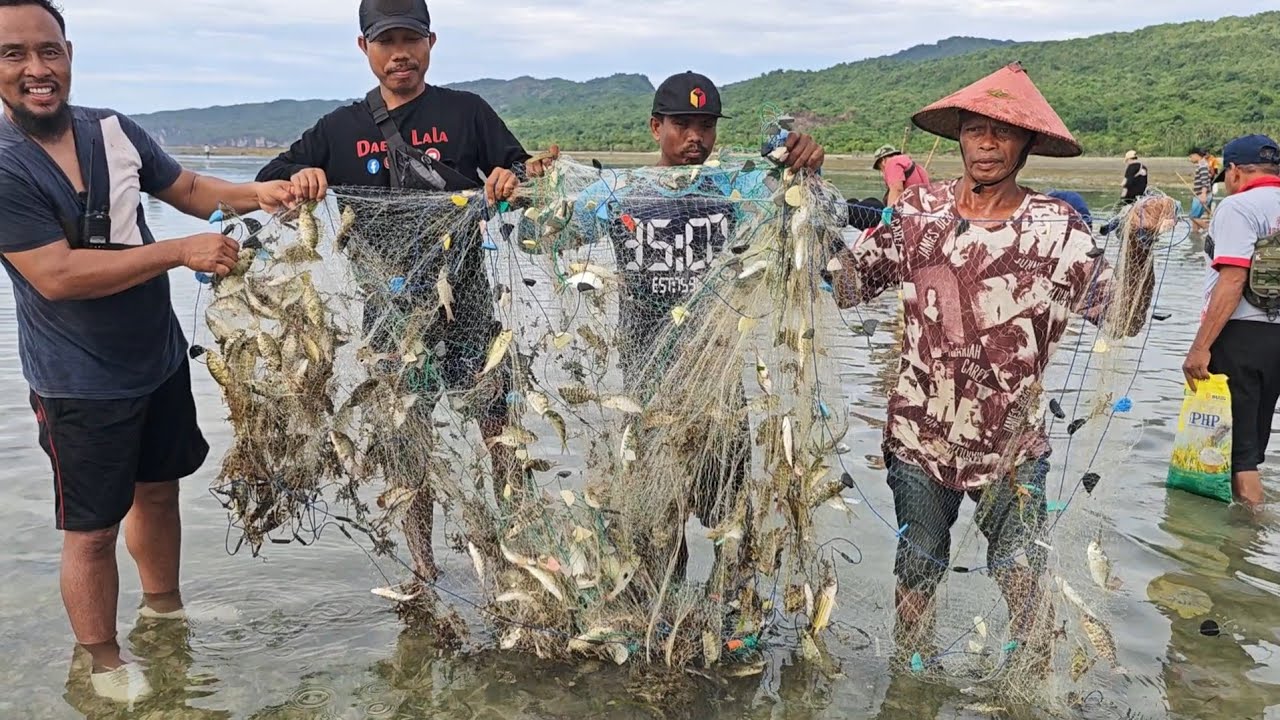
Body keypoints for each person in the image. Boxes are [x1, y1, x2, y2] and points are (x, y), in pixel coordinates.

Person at [0, 0, 297, 702]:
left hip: (157, 359)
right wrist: (178, 253)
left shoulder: (113, 129)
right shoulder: (5, 168)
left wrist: (263, 191)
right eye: (13, 54)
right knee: (92, 529)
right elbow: (57, 275)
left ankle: (164, 614)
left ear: (69, 53)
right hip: (78, 383)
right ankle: (101, 661)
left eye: (49, 50)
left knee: (159, 493)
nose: (37, 69)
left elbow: (191, 190)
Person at [826, 62, 1169, 666]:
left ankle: (1030, 681)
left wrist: (1140, 246)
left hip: (1012, 444)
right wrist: (803, 209)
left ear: (1027, 145)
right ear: (958, 136)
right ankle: (913, 680)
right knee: (917, 566)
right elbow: (850, 288)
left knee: (1021, 573)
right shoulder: (916, 213)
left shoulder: (1058, 227)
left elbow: (1124, 318)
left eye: (1003, 132)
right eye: (976, 130)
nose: (987, 143)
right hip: (917, 436)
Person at [255, 0, 538, 592]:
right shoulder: (339, 128)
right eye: (385, 41)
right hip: (388, 313)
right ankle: (421, 566)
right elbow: (268, 186)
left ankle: (518, 543)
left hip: (468, 303)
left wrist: (514, 177)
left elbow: (525, 175)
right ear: (365, 49)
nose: (399, 53)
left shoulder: (467, 113)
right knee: (407, 439)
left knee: (499, 426)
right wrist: (303, 178)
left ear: (431, 43)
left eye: (410, 38)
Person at [546, 71, 824, 580]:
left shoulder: (738, 189)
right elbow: (546, 235)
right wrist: (534, 186)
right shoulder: (620, 191)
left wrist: (803, 165)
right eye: (682, 124)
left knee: (730, 522)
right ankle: (665, 626)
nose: (695, 136)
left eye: (705, 125)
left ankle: (729, 623)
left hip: (720, 390)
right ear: (656, 128)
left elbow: (804, 210)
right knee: (658, 527)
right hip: (646, 390)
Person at [1182, 134, 1280, 510]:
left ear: (1235, 171)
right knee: (1254, 442)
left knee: (1238, 453)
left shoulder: (1238, 207)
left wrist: (1200, 347)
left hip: (1240, 335)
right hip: (1275, 341)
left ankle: (1248, 538)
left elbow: (1233, 278)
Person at [1189, 147, 1215, 233]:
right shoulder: (1202, 165)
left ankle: (1211, 230)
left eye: (1191, 156)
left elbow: (1204, 182)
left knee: (1193, 217)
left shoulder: (1203, 165)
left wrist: (1203, 195)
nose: (1190, 158)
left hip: (1201, 195)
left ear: (1196, 155)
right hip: (1200, 195)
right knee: (1195, 219)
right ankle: (1195, 237)